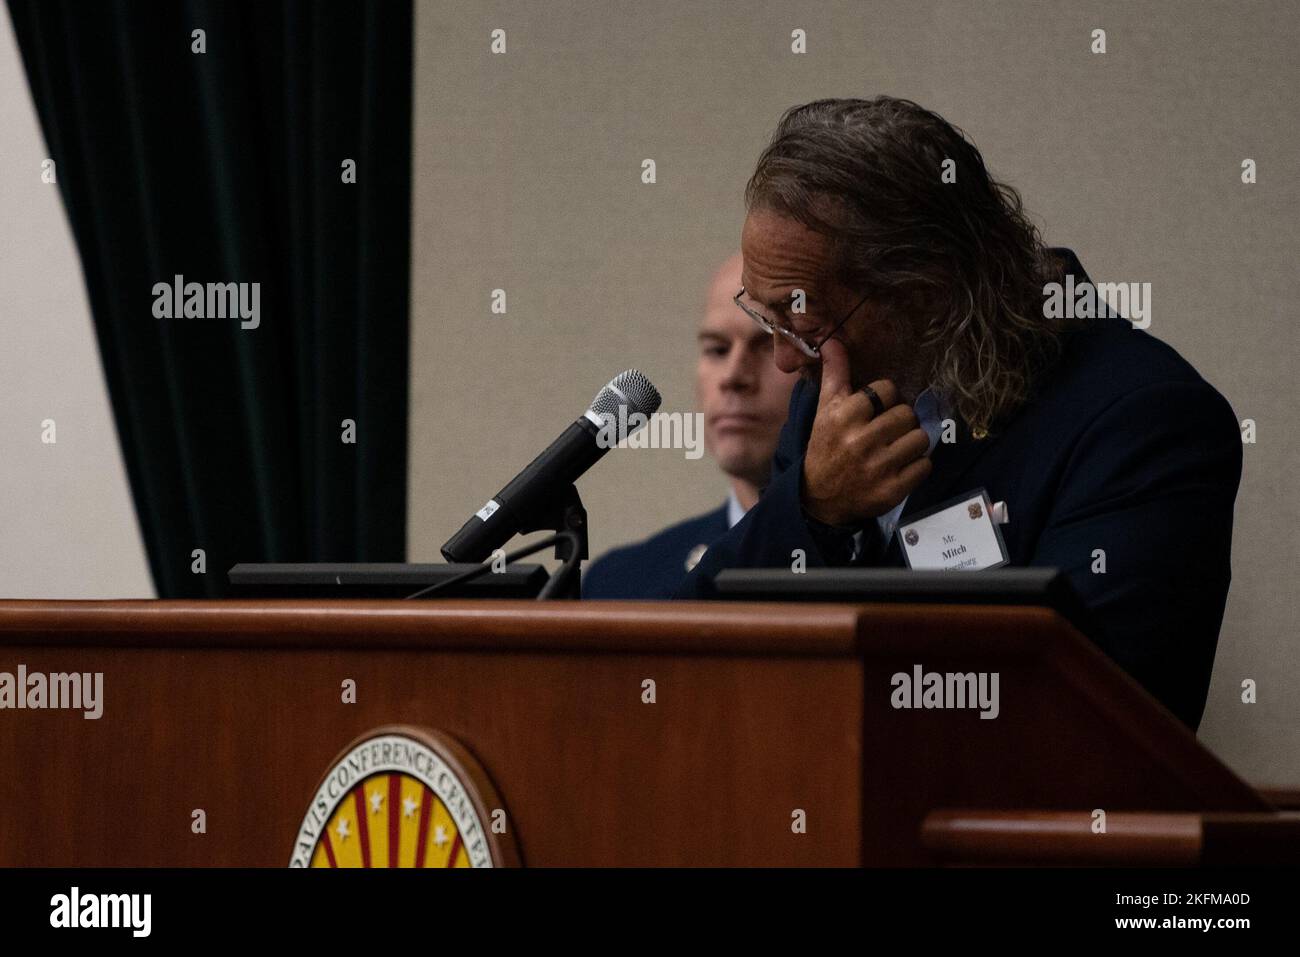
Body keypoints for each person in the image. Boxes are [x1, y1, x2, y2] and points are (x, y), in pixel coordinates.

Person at [676, 97, 1242, 731]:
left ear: (927, 292)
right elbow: (702, 641)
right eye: (766, 315)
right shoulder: (833, 387)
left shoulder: (1143, 420)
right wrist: (811, 510)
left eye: (802, 323)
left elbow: (1098, 722)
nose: (784, 361)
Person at [582, 254, 797, 599]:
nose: (732, 377)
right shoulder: (621, 585)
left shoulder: (894, 557)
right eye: (717, 349)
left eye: (768, 345)